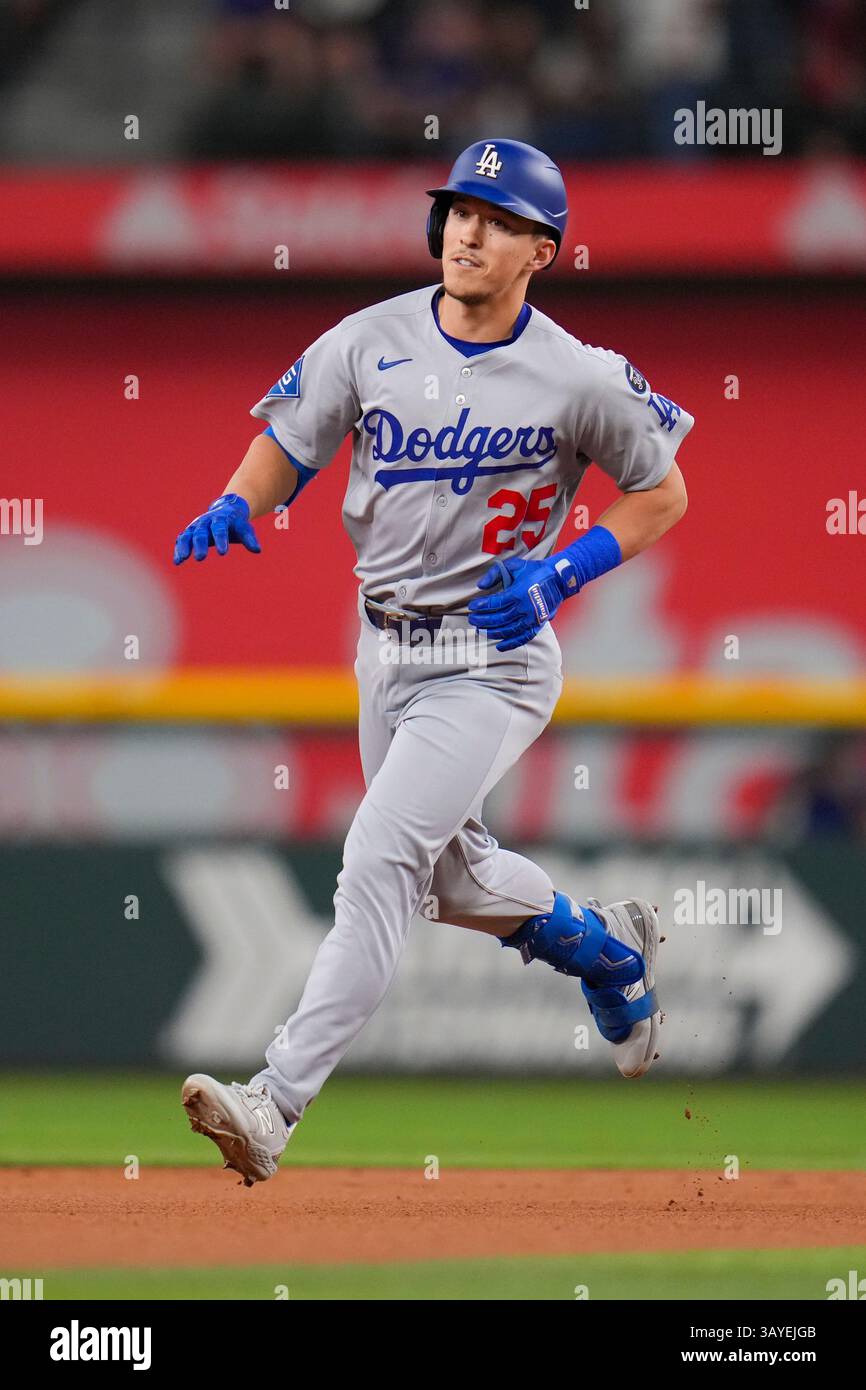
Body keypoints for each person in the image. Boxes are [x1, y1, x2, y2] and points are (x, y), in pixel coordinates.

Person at [173, 139, 692, 1186]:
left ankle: (274, 1101)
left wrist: (559, 574)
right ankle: (604, 950)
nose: (467, 230)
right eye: (458, 209)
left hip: (489, 658)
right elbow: (293, 439)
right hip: (386, 649)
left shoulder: (577, 373)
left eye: (496, 219)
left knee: (376, 864)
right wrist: (241, 498)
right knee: (450, 880)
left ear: (540, 250)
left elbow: (660, 491)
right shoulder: (370, 339)